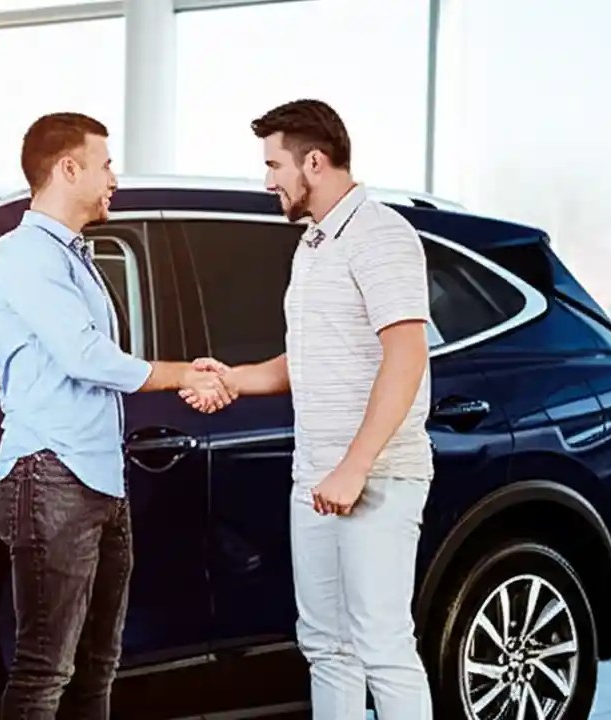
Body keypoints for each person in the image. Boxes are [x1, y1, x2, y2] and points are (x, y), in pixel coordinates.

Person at [184, 99, 434, 719]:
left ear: (313, 162)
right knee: (327, 647)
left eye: (274, 164)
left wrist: (355, 467)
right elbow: (312, 357)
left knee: (382, 646)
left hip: (375, 477)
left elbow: (406, 355)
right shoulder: (314, 246)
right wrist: (233, 380)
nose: (268, 180)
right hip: (316, 477)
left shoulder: (380, 236)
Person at [0, 111, 232, 719]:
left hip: (96, 479)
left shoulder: (71, 256)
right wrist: (182, 374)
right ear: (69, 169)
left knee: (97, 668)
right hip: (50, 475)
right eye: (105, 163)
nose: (114, 176)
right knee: (46, 669)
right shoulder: (26, 257)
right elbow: (84, 356)